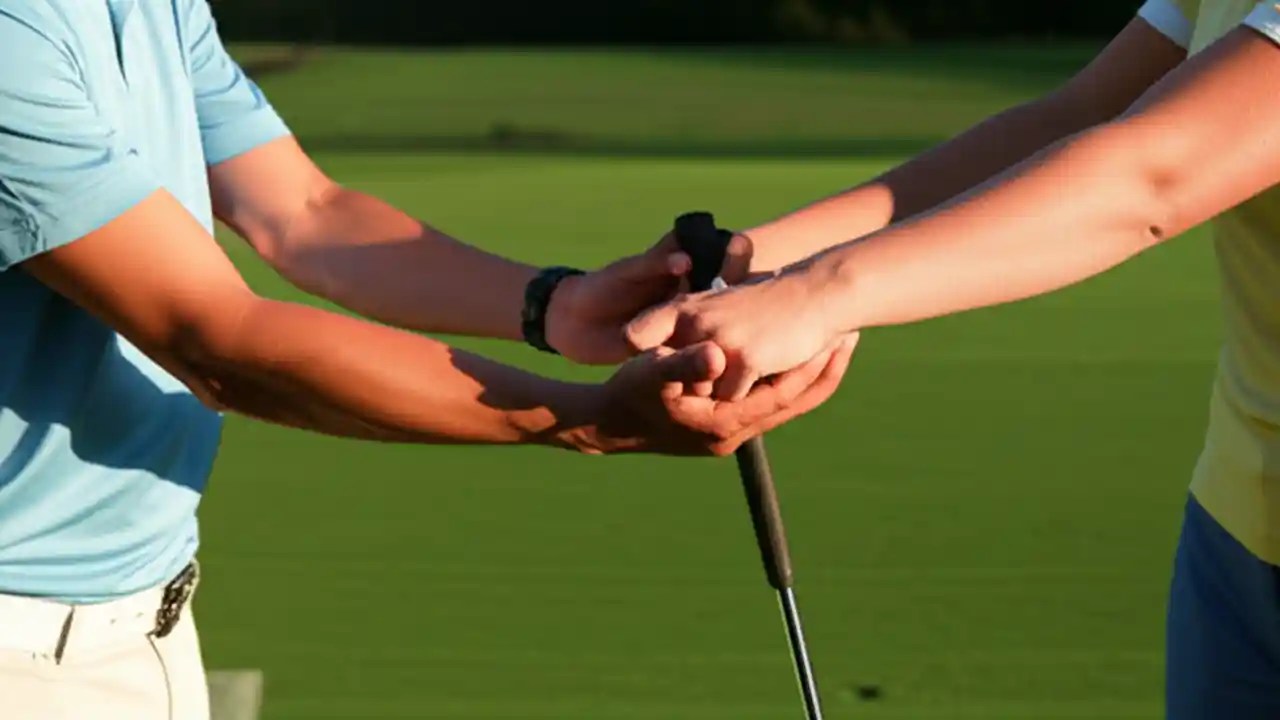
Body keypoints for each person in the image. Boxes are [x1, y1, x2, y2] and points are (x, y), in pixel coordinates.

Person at [0, 1, 854, 718]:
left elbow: (307, 212)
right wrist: (589, 420)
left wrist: (556, 305)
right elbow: (219, 344)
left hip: (140, 620)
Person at [625, 1, 1280, 716]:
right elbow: (1078, 119)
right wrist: (763, 264)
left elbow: (1153, 178)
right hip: (1236, 527)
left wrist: (819, 296)